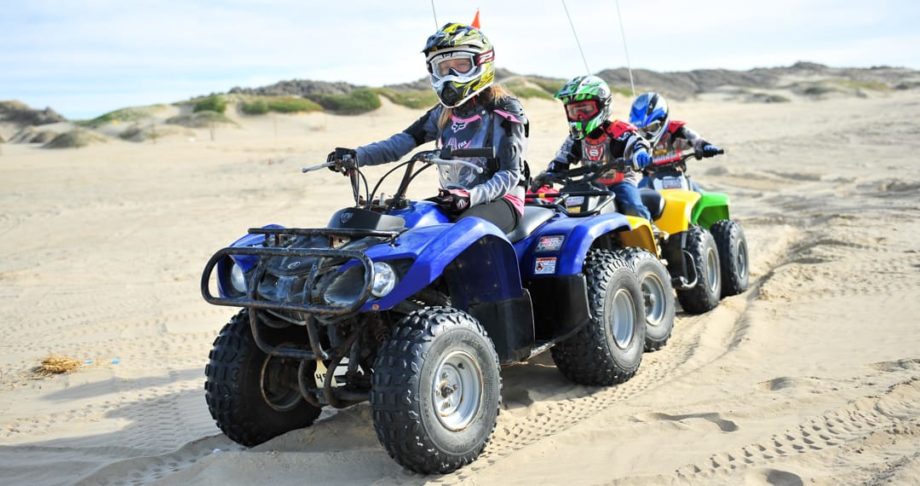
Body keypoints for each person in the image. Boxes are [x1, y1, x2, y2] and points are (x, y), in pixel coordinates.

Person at [326, 22, 527, 233]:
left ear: (481, 62)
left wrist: (470, 196)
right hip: (454, 199)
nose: (451, 74)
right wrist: (357, 156)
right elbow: (399, 144)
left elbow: (510, 174)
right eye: (443, 67)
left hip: (501, 199)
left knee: (462, 235)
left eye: (461, 65)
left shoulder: (504, 109)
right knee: (402, 224)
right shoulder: (442, 113)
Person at [534, 75, 652, 220]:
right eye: (574, 111)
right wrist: (550, 173)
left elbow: (637, 142)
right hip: (589, 186)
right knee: (560, 212)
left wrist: (640, 153)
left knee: (632, 207)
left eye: (586, 109)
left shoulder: (618, 132)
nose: (580, 116)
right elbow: (561, 158)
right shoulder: (575, 138)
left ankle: (651, 232)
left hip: (620, 184)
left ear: (603, 105)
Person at [628, 91, 722, 191]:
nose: (646, 134)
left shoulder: (676, 131)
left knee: (703, 199)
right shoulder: (636, 141)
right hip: (649, 180)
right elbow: (623, 150)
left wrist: (704, 146)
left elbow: (695, 139)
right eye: (641, 130)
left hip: (680, 177)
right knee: (637, 200)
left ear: (663, 120)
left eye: (651, 127)